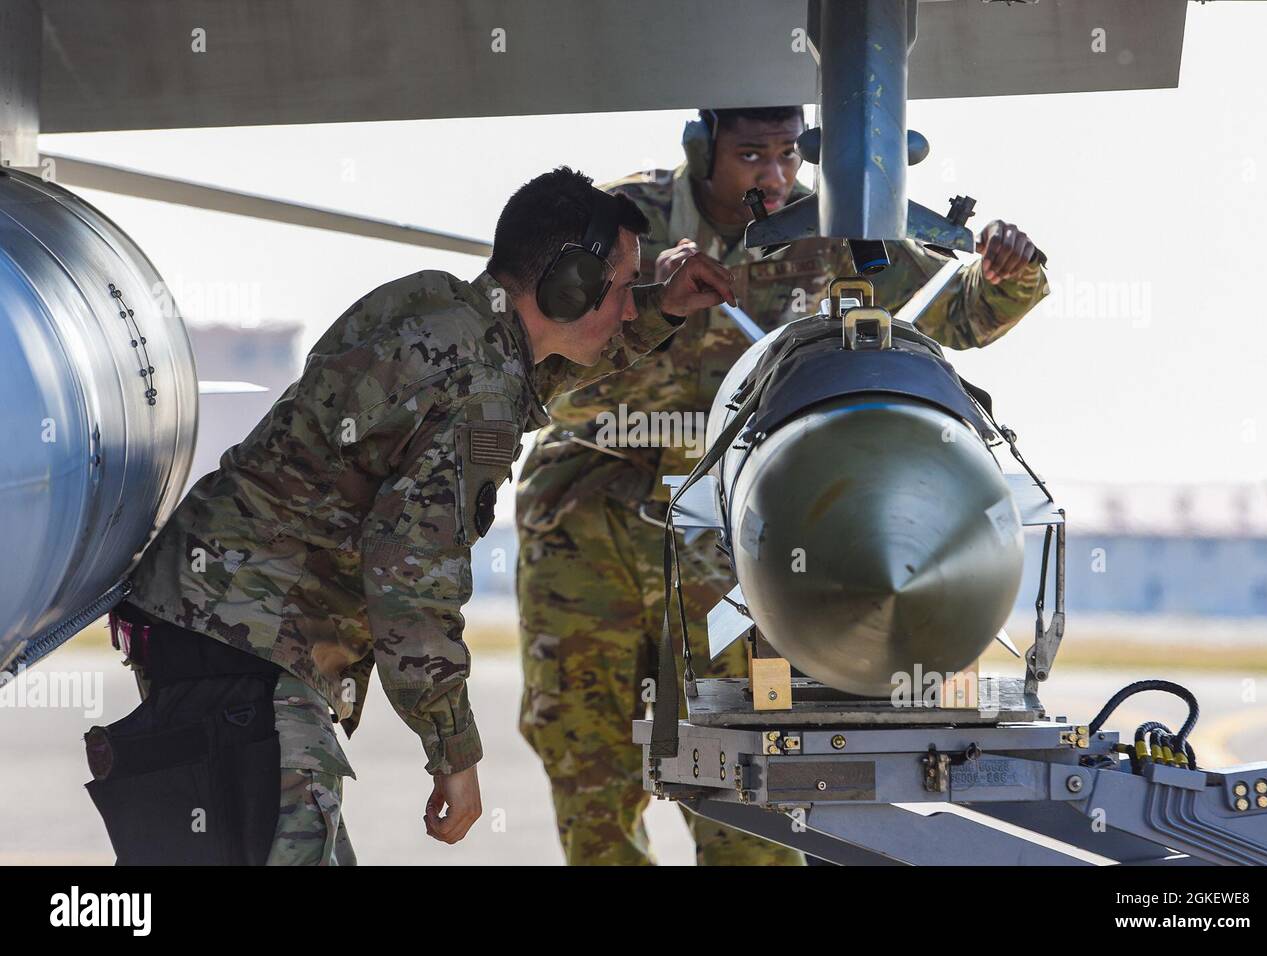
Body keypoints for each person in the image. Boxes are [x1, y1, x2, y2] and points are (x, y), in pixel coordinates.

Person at [84, 166, 737, 865]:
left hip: (222, 629)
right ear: (567, 286)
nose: (630, 311)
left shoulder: (440, 312)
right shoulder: (477, 396)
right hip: (247, 645)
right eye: (620, 291)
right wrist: (454, 753)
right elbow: (412, 584)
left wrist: (662, 307)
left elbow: (541, 366)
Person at [515, 107, 1050, 865]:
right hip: (584, 528)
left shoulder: (828, 232)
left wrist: (1008, 271)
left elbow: (953, 309)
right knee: (587, 771)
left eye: (786, 156)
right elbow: (542, 362)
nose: (772, 175)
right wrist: (649, 302)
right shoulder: (623, 225)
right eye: (750, 155)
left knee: (747, 785)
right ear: (704, 152)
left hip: (728, 550)